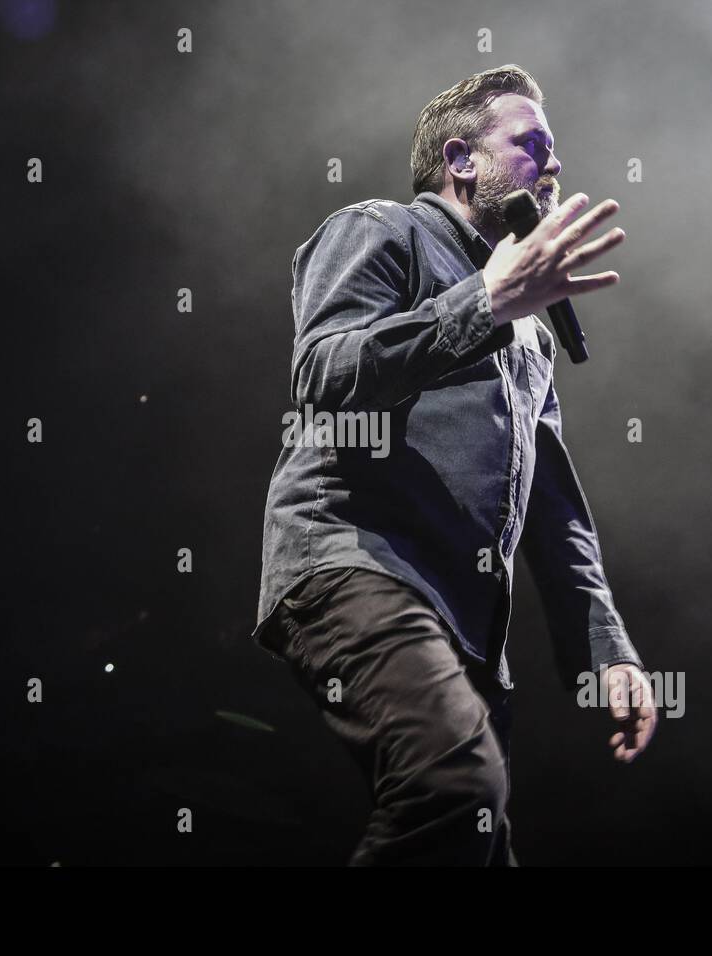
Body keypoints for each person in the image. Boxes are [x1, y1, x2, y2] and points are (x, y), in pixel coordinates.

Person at [252, 63, 656, 866]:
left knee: (474, 838)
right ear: (462, 159)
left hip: (467, 627)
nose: (554, 164)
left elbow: (552, 510)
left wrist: (606, 649)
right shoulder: (380, 230)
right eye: (531, 143)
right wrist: (486, 303)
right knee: (454, 788)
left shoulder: (531, 329)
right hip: (354, 565)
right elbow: (323, 376)